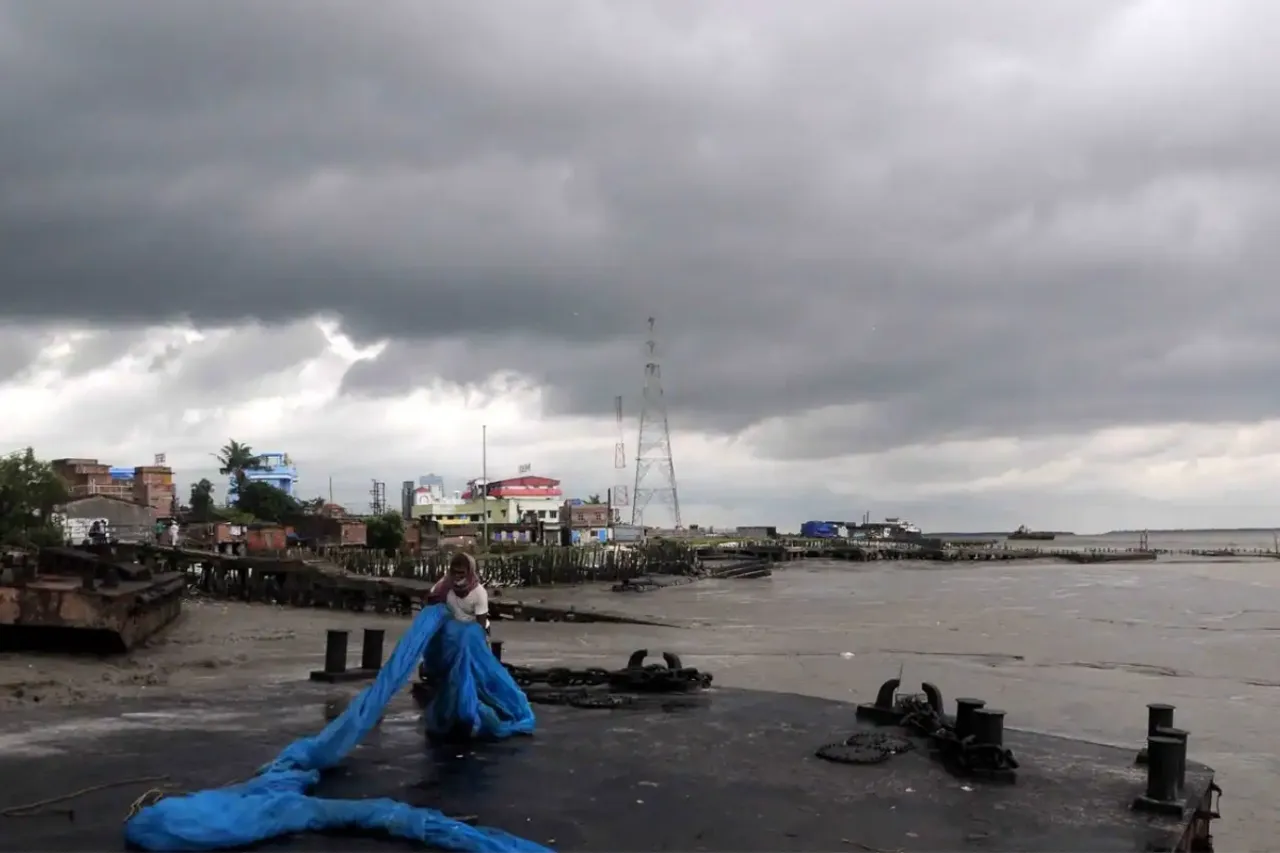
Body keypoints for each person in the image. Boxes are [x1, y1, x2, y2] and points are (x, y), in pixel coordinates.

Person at [430, 552, 490, 634]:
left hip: (473, 631)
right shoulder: (443, 586)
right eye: (454, 572)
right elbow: (429, 602)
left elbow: (480, 626)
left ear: (470, 572)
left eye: (461, 573)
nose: (457, 576)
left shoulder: (479, 593)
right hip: (453, 631)